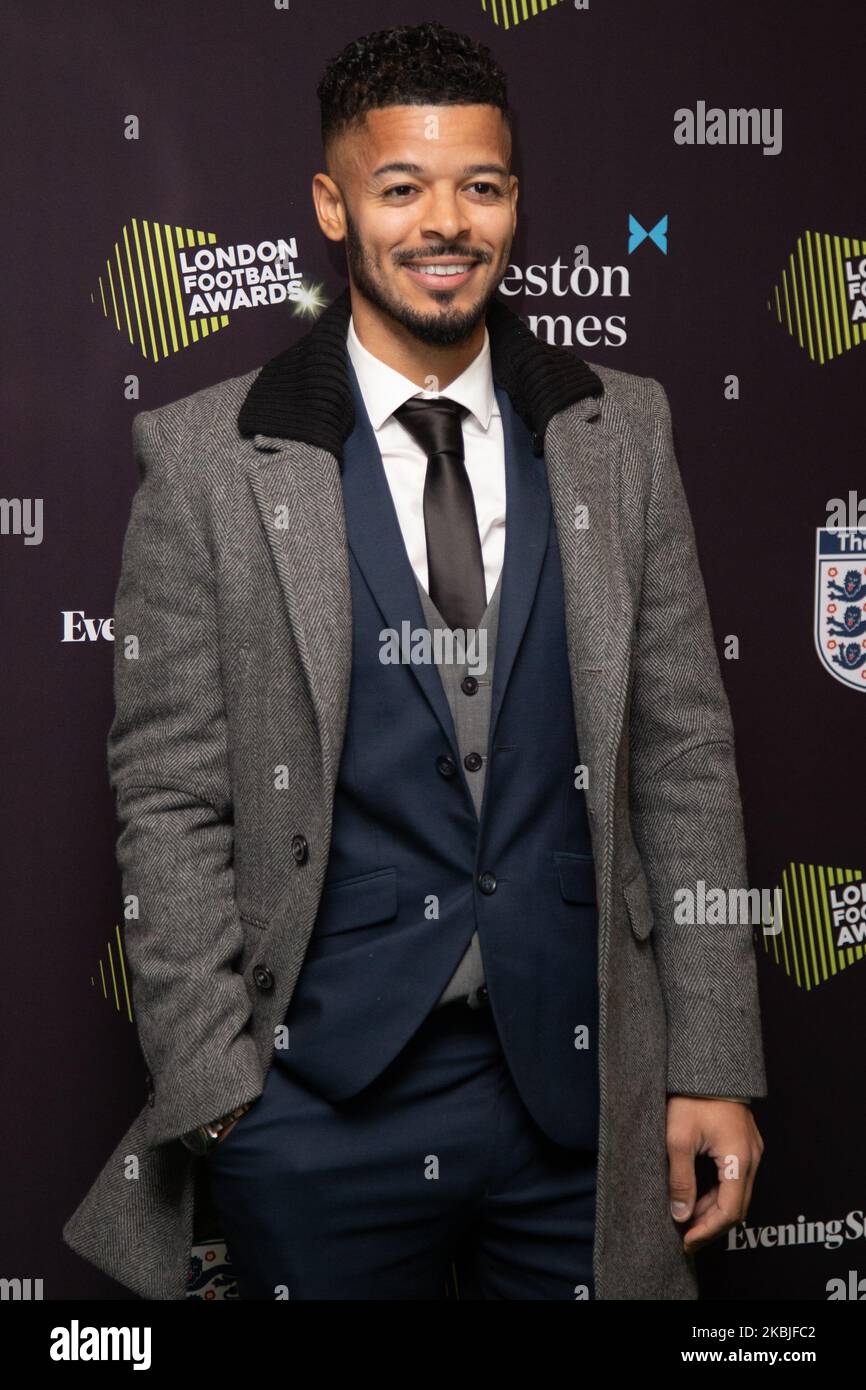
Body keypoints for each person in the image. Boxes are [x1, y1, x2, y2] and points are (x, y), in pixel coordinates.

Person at [63, 21, 766, 1300]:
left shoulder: (620, 429)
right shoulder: (210, 459)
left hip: (584, 1097)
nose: (443, 223)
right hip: (319, 1107)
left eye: (478, 185)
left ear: (513, 199)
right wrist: (224, 1096)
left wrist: (708, 1060)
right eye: (400, 187)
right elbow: (168, 795)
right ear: (333, 206)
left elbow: (682, 753)